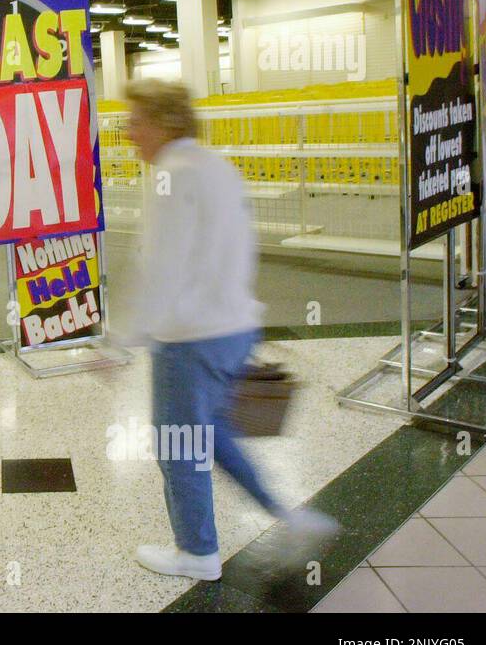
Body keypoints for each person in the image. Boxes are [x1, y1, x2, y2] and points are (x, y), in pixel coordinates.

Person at [121, 80, 336, 581]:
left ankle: (196, 552)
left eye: (135, 122)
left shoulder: (170, 176)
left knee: (178, 446)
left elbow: (160, 269)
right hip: (235, 328)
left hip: (190, 338)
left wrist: (122, 338)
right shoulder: (217, 168)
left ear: (163, 122)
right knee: (212, 433)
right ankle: (292, 516)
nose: (129, 133)